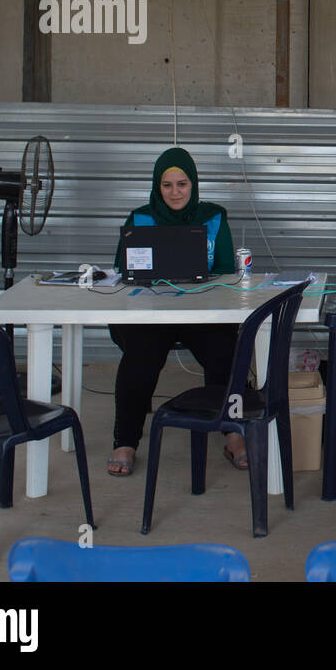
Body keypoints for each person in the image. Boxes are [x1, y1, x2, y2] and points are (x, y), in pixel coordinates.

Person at [106, 147, 247, 475]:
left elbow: (227, 270)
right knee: (140, 355)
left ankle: (233, 433)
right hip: (154, 314)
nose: (175, 192)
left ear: (193, 184)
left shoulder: (213, 217)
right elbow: (120, 271)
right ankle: (125, 441)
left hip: (203, 313)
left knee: (225, 352)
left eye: (182, 184)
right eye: (167, 186)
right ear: (157, 187)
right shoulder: (139, 219)